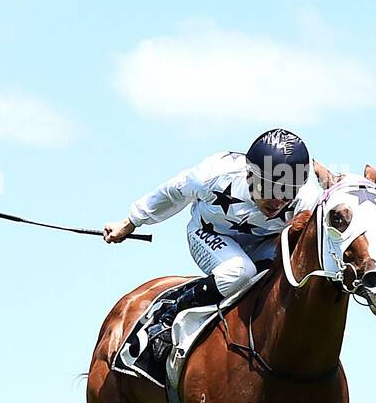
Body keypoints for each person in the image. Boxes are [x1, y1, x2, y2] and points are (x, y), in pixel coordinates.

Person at [102, 129, 326, 360]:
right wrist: (130, 222)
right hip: (209, 234)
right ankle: (169, 315)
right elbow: (171, 194)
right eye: (270, 188)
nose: (279, 200)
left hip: (265, 244)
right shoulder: (213, 175)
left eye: (288, 191)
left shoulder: (307, 199)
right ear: (250, 175)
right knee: (240, 272)